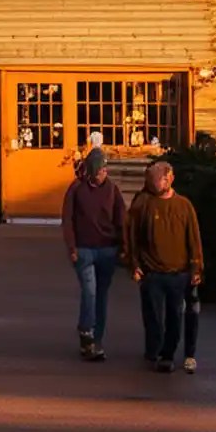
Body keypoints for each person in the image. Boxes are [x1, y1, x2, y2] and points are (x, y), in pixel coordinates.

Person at [128, 161, 203, 374]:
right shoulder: (146, 205)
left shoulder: (183, 206)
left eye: (160, 179)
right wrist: (134, 263)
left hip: (178, 273)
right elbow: (135, 237)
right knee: (154, 316)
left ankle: (167, 354)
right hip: (152, 272)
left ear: (170, 179)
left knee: (174, 316)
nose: (156, 183)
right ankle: (157, 351)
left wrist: (196, 267)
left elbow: (193, 238)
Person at [60, 147, 125, 362]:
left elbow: (121, 220)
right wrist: (72, 247)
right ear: (91, 170)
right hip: (84, 249)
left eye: (106, 169)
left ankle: (96, 340)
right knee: (90, 291)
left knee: (102, 295)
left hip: (107, 249)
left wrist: (124, 247)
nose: (103, 173)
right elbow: (68, 220)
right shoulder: (77, 189)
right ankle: (86, 331)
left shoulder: (112, 191)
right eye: (100, 169)